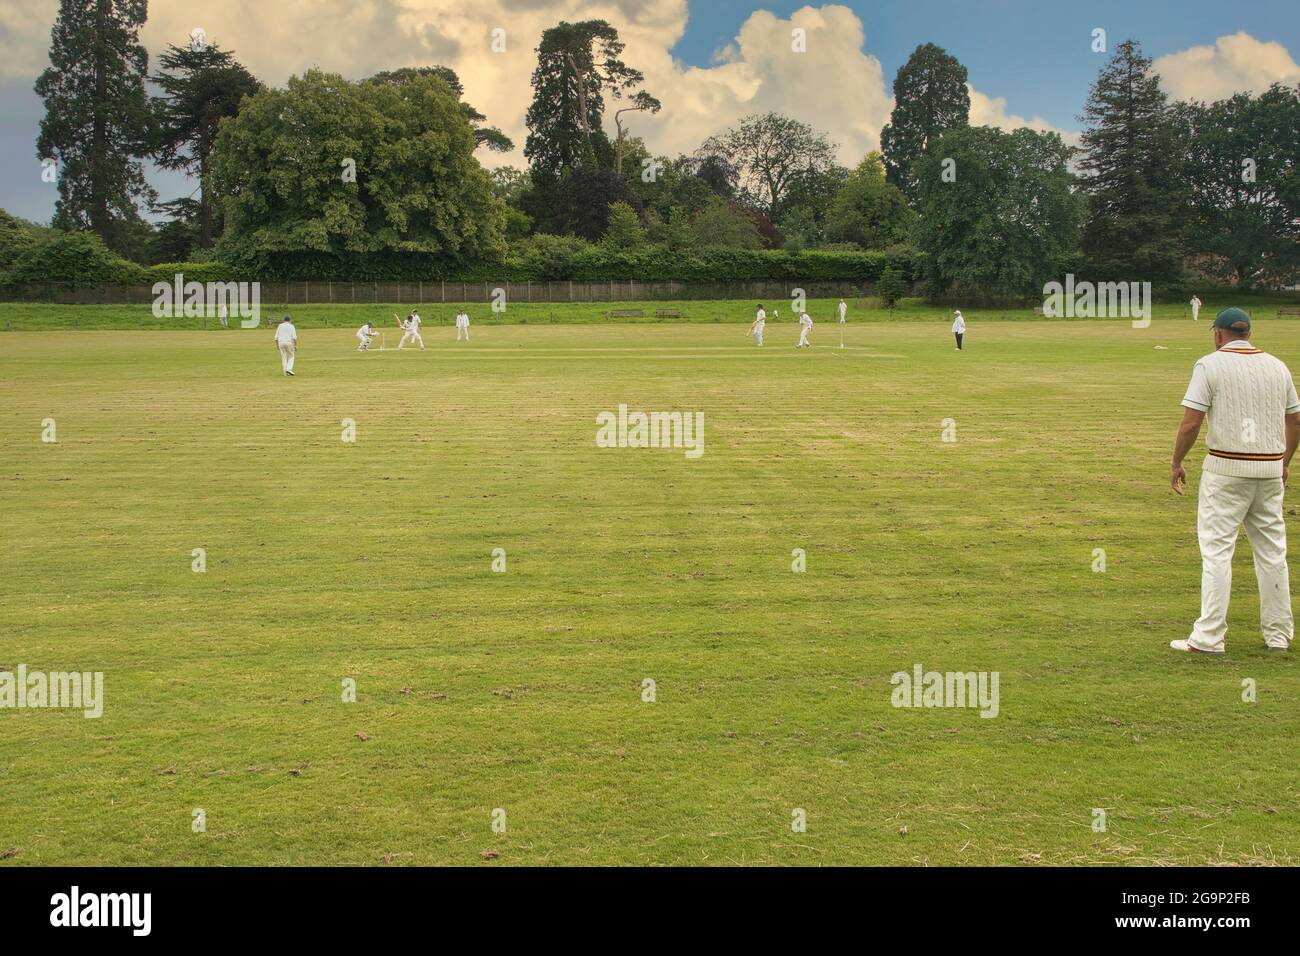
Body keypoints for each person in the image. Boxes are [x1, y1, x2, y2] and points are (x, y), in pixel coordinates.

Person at [1169, 308, 1300, 654]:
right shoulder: (1277, 366)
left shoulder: (1209, 364)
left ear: (1217, 334)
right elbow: (1295, 422)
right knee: (1272, 554)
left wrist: (1176, 462)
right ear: (1248, 333)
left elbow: (1191, 423)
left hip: (1226, 470)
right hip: (1270, 471)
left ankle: (1209, 636)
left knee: (1216, 552)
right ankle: (1278, 636)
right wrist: (1284, 463)